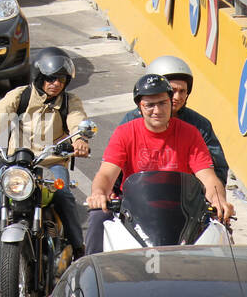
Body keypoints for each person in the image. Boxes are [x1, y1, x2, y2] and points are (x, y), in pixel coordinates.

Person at [0, 47, 89, 297]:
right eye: (51, 78)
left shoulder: (70, 102)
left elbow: (77, 121)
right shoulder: (19, 96)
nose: (56, 84)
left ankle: (79, 251)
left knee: (64, 196)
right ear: (38, 77)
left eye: (61, 80)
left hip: (50, 163)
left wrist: (79, 140)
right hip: (17, 166)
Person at [83, 75, 233, 256]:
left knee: (222, 228)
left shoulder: (190, 133)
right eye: (150, 105)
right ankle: (91, 276)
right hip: (134, 211)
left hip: (183, 211)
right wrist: (99, 193)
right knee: (98, 217)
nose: (157, 110)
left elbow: (208, 176)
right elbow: (106, 174)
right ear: (140, 107)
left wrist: (218, 199)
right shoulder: (124, 132)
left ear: (172, 103)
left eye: (163, 103)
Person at [118, 55, 229, 187]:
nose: (177, 97)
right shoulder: (130, 122)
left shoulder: (199, 125)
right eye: (172, 90)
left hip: (183, 199)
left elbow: (217, 168)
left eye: (182, 91)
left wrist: (212, 197)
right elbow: (115, 163)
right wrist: (111, 191)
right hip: (139, 197)